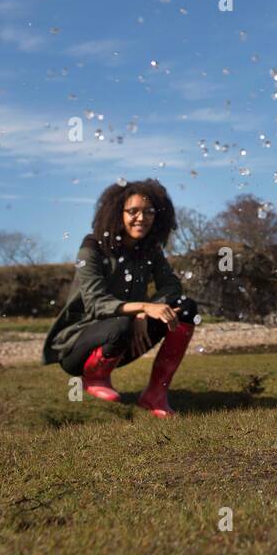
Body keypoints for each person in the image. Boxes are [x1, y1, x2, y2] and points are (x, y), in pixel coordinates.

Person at [42, 179, 200, 418]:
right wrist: (143, 307)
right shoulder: (92, 248)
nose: (141, 218)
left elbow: (171, 285)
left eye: (149, 212)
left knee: (186, 308)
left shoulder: (151, 249)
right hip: (79, 348)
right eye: (133, 211)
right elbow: (96, 304)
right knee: (121, 322)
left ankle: (156, 393)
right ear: (118, 213)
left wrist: (146, 311)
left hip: (124, 342)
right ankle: (94, 379)